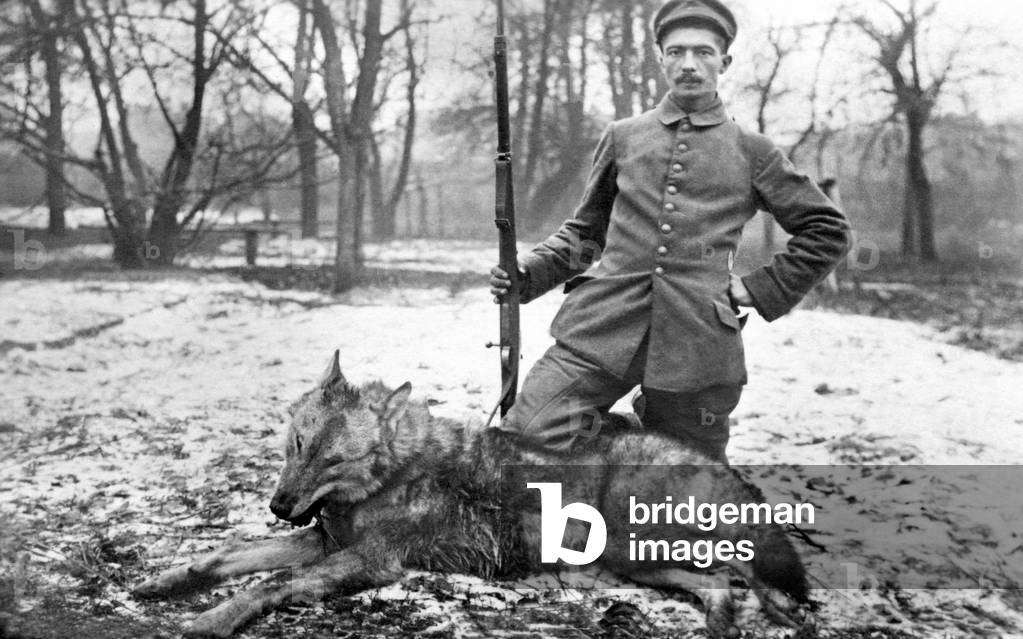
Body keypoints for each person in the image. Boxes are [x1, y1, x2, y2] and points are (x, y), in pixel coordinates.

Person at [489, 0, 850, 464]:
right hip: (601, 327)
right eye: (676, 52)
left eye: (703, 52)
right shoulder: (624, 136)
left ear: (725, 61)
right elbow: (585, 235)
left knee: (691, 487)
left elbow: (827, 229)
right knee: (525, 439)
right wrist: (527, 271)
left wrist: (761, 288)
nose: (689, 65)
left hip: (698, 346)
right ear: (660, 58)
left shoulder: (752, 150)